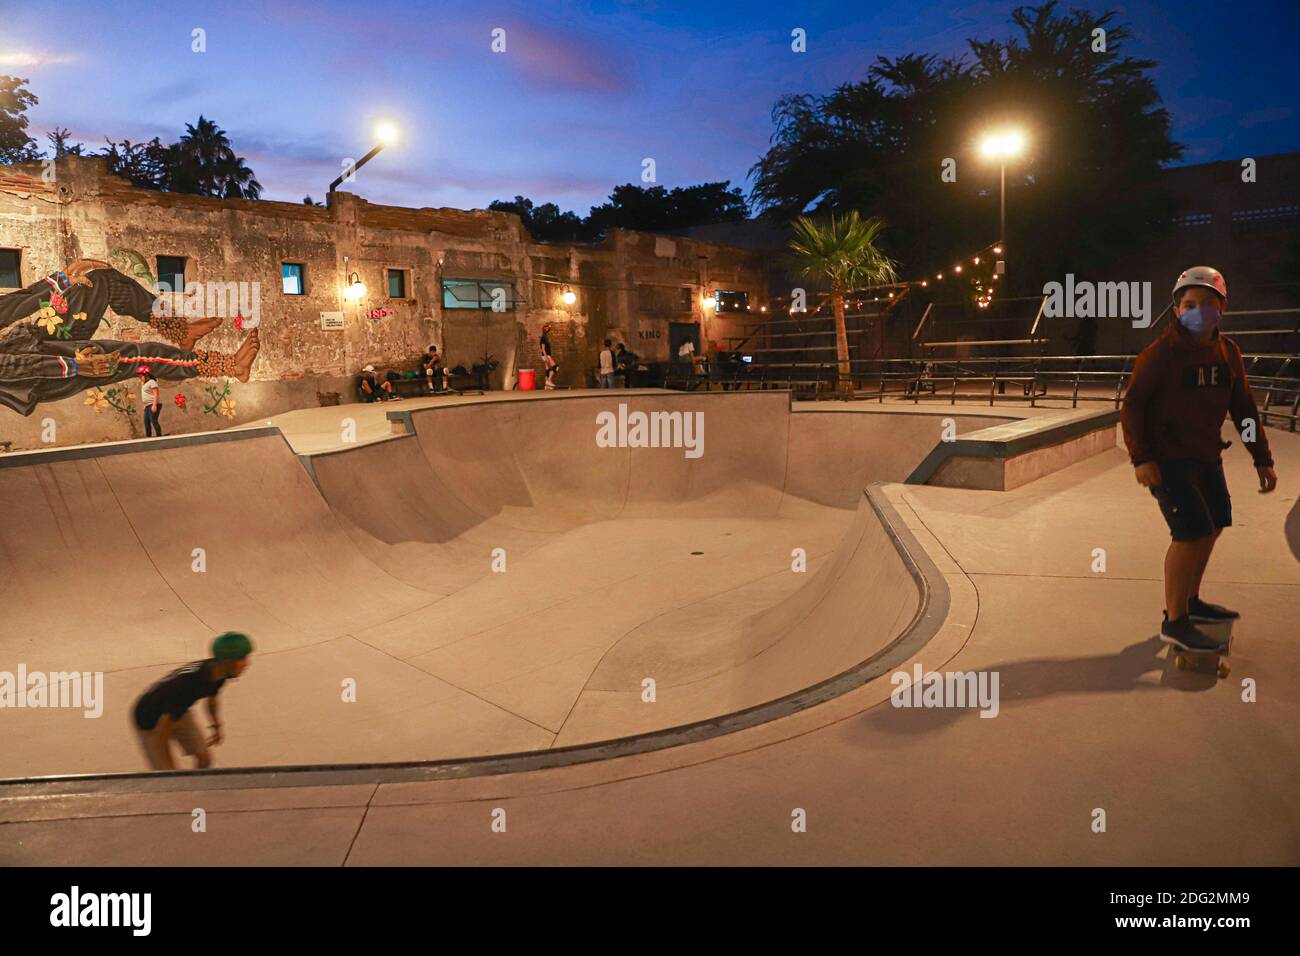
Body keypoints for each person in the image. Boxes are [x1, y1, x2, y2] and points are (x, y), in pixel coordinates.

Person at [1121, 266, 1278, 653]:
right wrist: (1141, 459)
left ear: (1221, 308)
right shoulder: (1160, 355)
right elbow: (1133, 407)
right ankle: (1175, 623)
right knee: (1189, 533)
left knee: (1213, 526)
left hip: (1207, 457)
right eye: (1189, 304)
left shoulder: (1228, 353)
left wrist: (1262, 457)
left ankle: (1190, 601)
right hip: (1168, 460)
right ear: (1176, 310)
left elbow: (1243, 408)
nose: (1198, 311)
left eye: (1207, 304)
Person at [0, 264, 257, 416]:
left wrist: (59, 281)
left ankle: (180, 330)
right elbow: (10, 368)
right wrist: (75, 366)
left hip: (30, 342)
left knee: (102, 281)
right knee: (136, 355)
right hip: (41, 373)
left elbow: (7, 308)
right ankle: (231, 365)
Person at [132, 631, 254, 771]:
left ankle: (195, 787)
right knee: (167, 776)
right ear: (227, 661)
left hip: (177, 711)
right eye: (242, 659)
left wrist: (216, 726)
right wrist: (169, 769)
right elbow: (164, 727)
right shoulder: (188, 684)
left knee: (205, 759)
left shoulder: (219, 672)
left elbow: (212, 700)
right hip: (150, 718)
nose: (247, 664)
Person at [138, 364, 162, 437]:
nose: (140, 378)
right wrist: (145, 404)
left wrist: (154, 405)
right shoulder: (144, 384)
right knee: (146, 422)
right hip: (148, 405)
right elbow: (146, 394)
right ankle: (148, 437)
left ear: (147, 375)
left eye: (141, 376)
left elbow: (156, 394)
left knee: (153, 420)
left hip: (153, 404)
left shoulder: (152, 382)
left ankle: (159, 436)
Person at [540, 323, 558, 389]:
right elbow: (543, 349)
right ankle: (549, 380)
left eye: (548, 328)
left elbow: (549, 327)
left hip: (546, 355)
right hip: (546, 355)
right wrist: (546, 357)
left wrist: (549, 326)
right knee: (556, 367)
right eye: (546, 328)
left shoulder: (545, 336)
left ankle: (547, 386)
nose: (548, 329)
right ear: (544, 329)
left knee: (547, 369)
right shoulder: (543, 337)